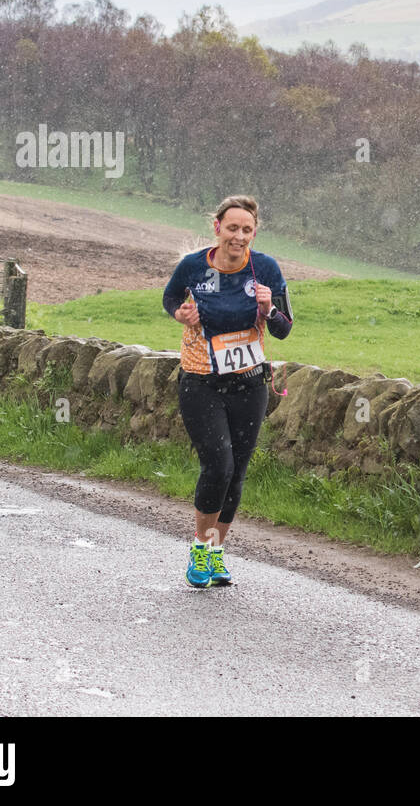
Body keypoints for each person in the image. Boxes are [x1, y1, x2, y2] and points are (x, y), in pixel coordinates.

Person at [162, 195, 293, 587]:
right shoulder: (193, 266)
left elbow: (284, 327)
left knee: (236, 472)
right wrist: (180, 314)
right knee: (217, 465)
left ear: (255, 232)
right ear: (217, 227)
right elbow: (170, 298)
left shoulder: (265, 268)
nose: (239, 236)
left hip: (250, 384)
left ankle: (216, 553)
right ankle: (200, 547)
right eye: (232, 228)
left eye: (246, 230)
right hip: (201, 380)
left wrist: (270, 309)